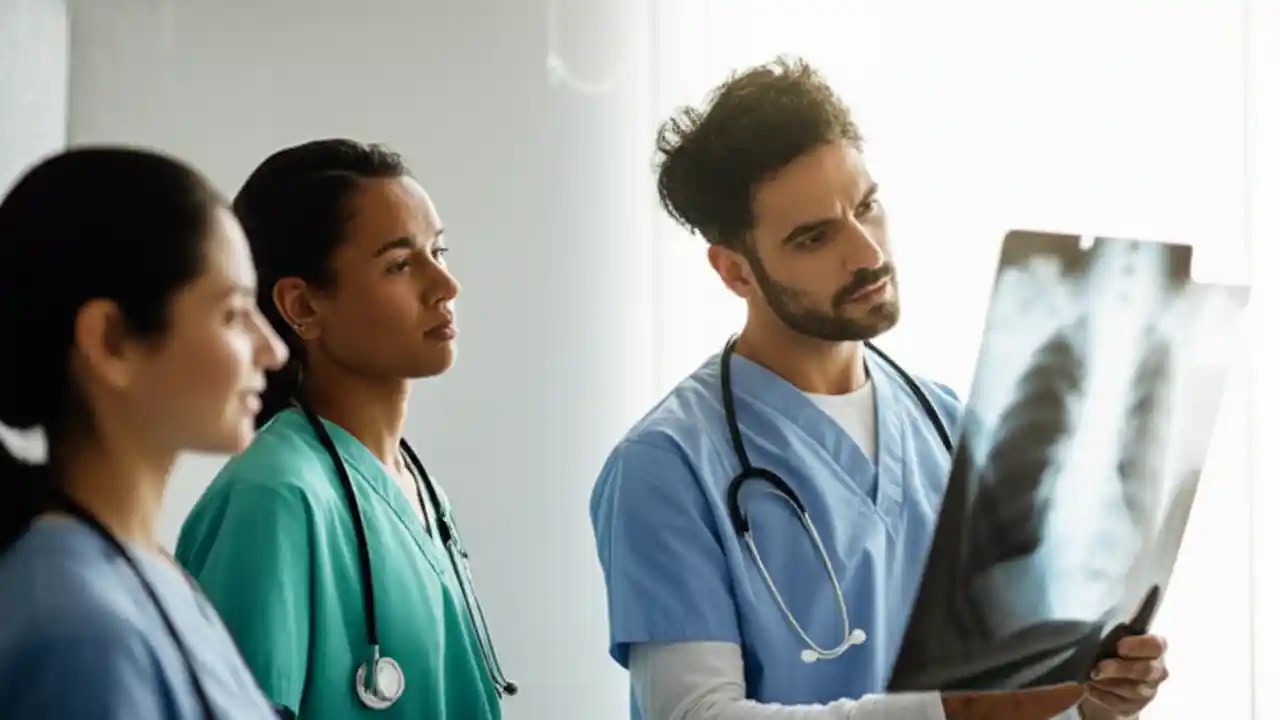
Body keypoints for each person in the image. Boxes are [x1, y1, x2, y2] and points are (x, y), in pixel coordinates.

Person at [588, 57, 1170, 720]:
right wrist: (949, 712)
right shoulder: (667, 465)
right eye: (814, 237)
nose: (866, 253)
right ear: (735, 272)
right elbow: (696, 715)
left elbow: (1017, 692)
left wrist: (1094, 701)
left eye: (866, 206)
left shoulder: (949, 423)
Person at [175, 139, 509, 720]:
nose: (445, 286)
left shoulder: (415, 487)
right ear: (302, 306)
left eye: (439, 251)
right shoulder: (276, 496)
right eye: (401, 264)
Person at [0, 147, 289, 718]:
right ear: (110, 341)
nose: (274, 349)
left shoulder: (148, 570)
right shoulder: (80, 630)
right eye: (233, 314)